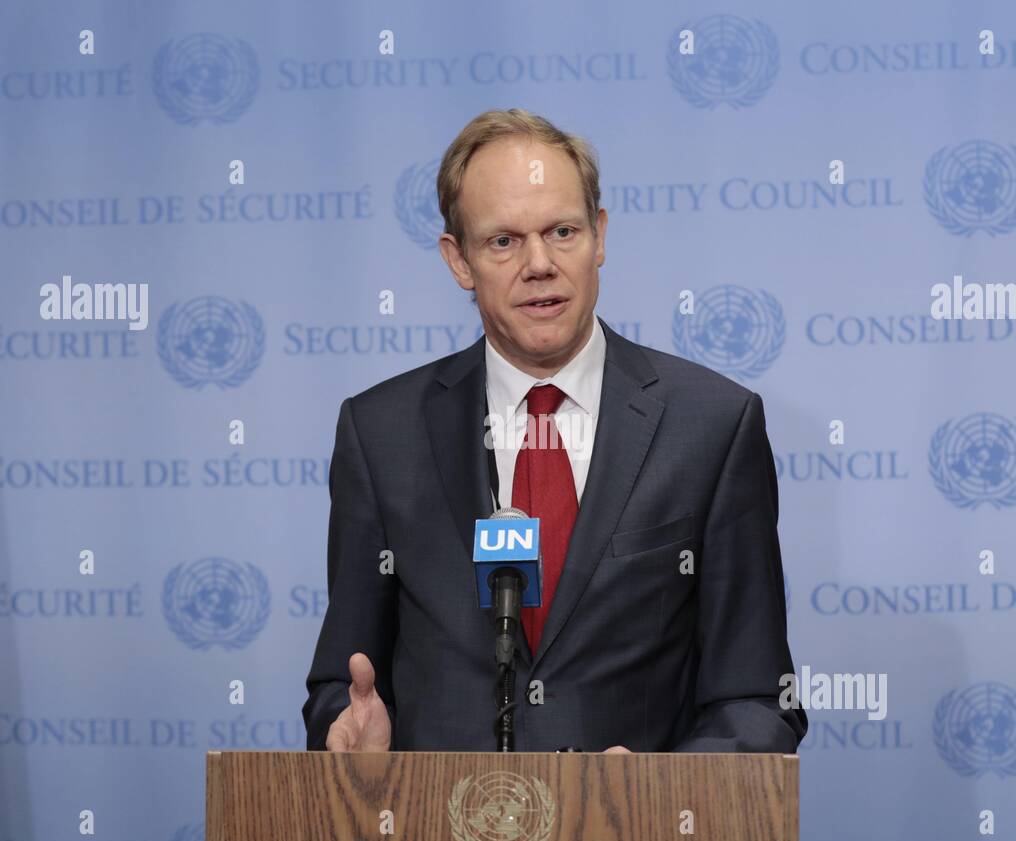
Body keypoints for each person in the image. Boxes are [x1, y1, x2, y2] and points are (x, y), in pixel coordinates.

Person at [303, 108, 806, 754]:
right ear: (459, 261)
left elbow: (758, 701)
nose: (539, 264)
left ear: (599, 236)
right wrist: (347, 728)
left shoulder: (711, 425)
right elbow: (341, 684)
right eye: (504, 241)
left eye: (562, 231)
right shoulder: (381, 435)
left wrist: (656, 795)